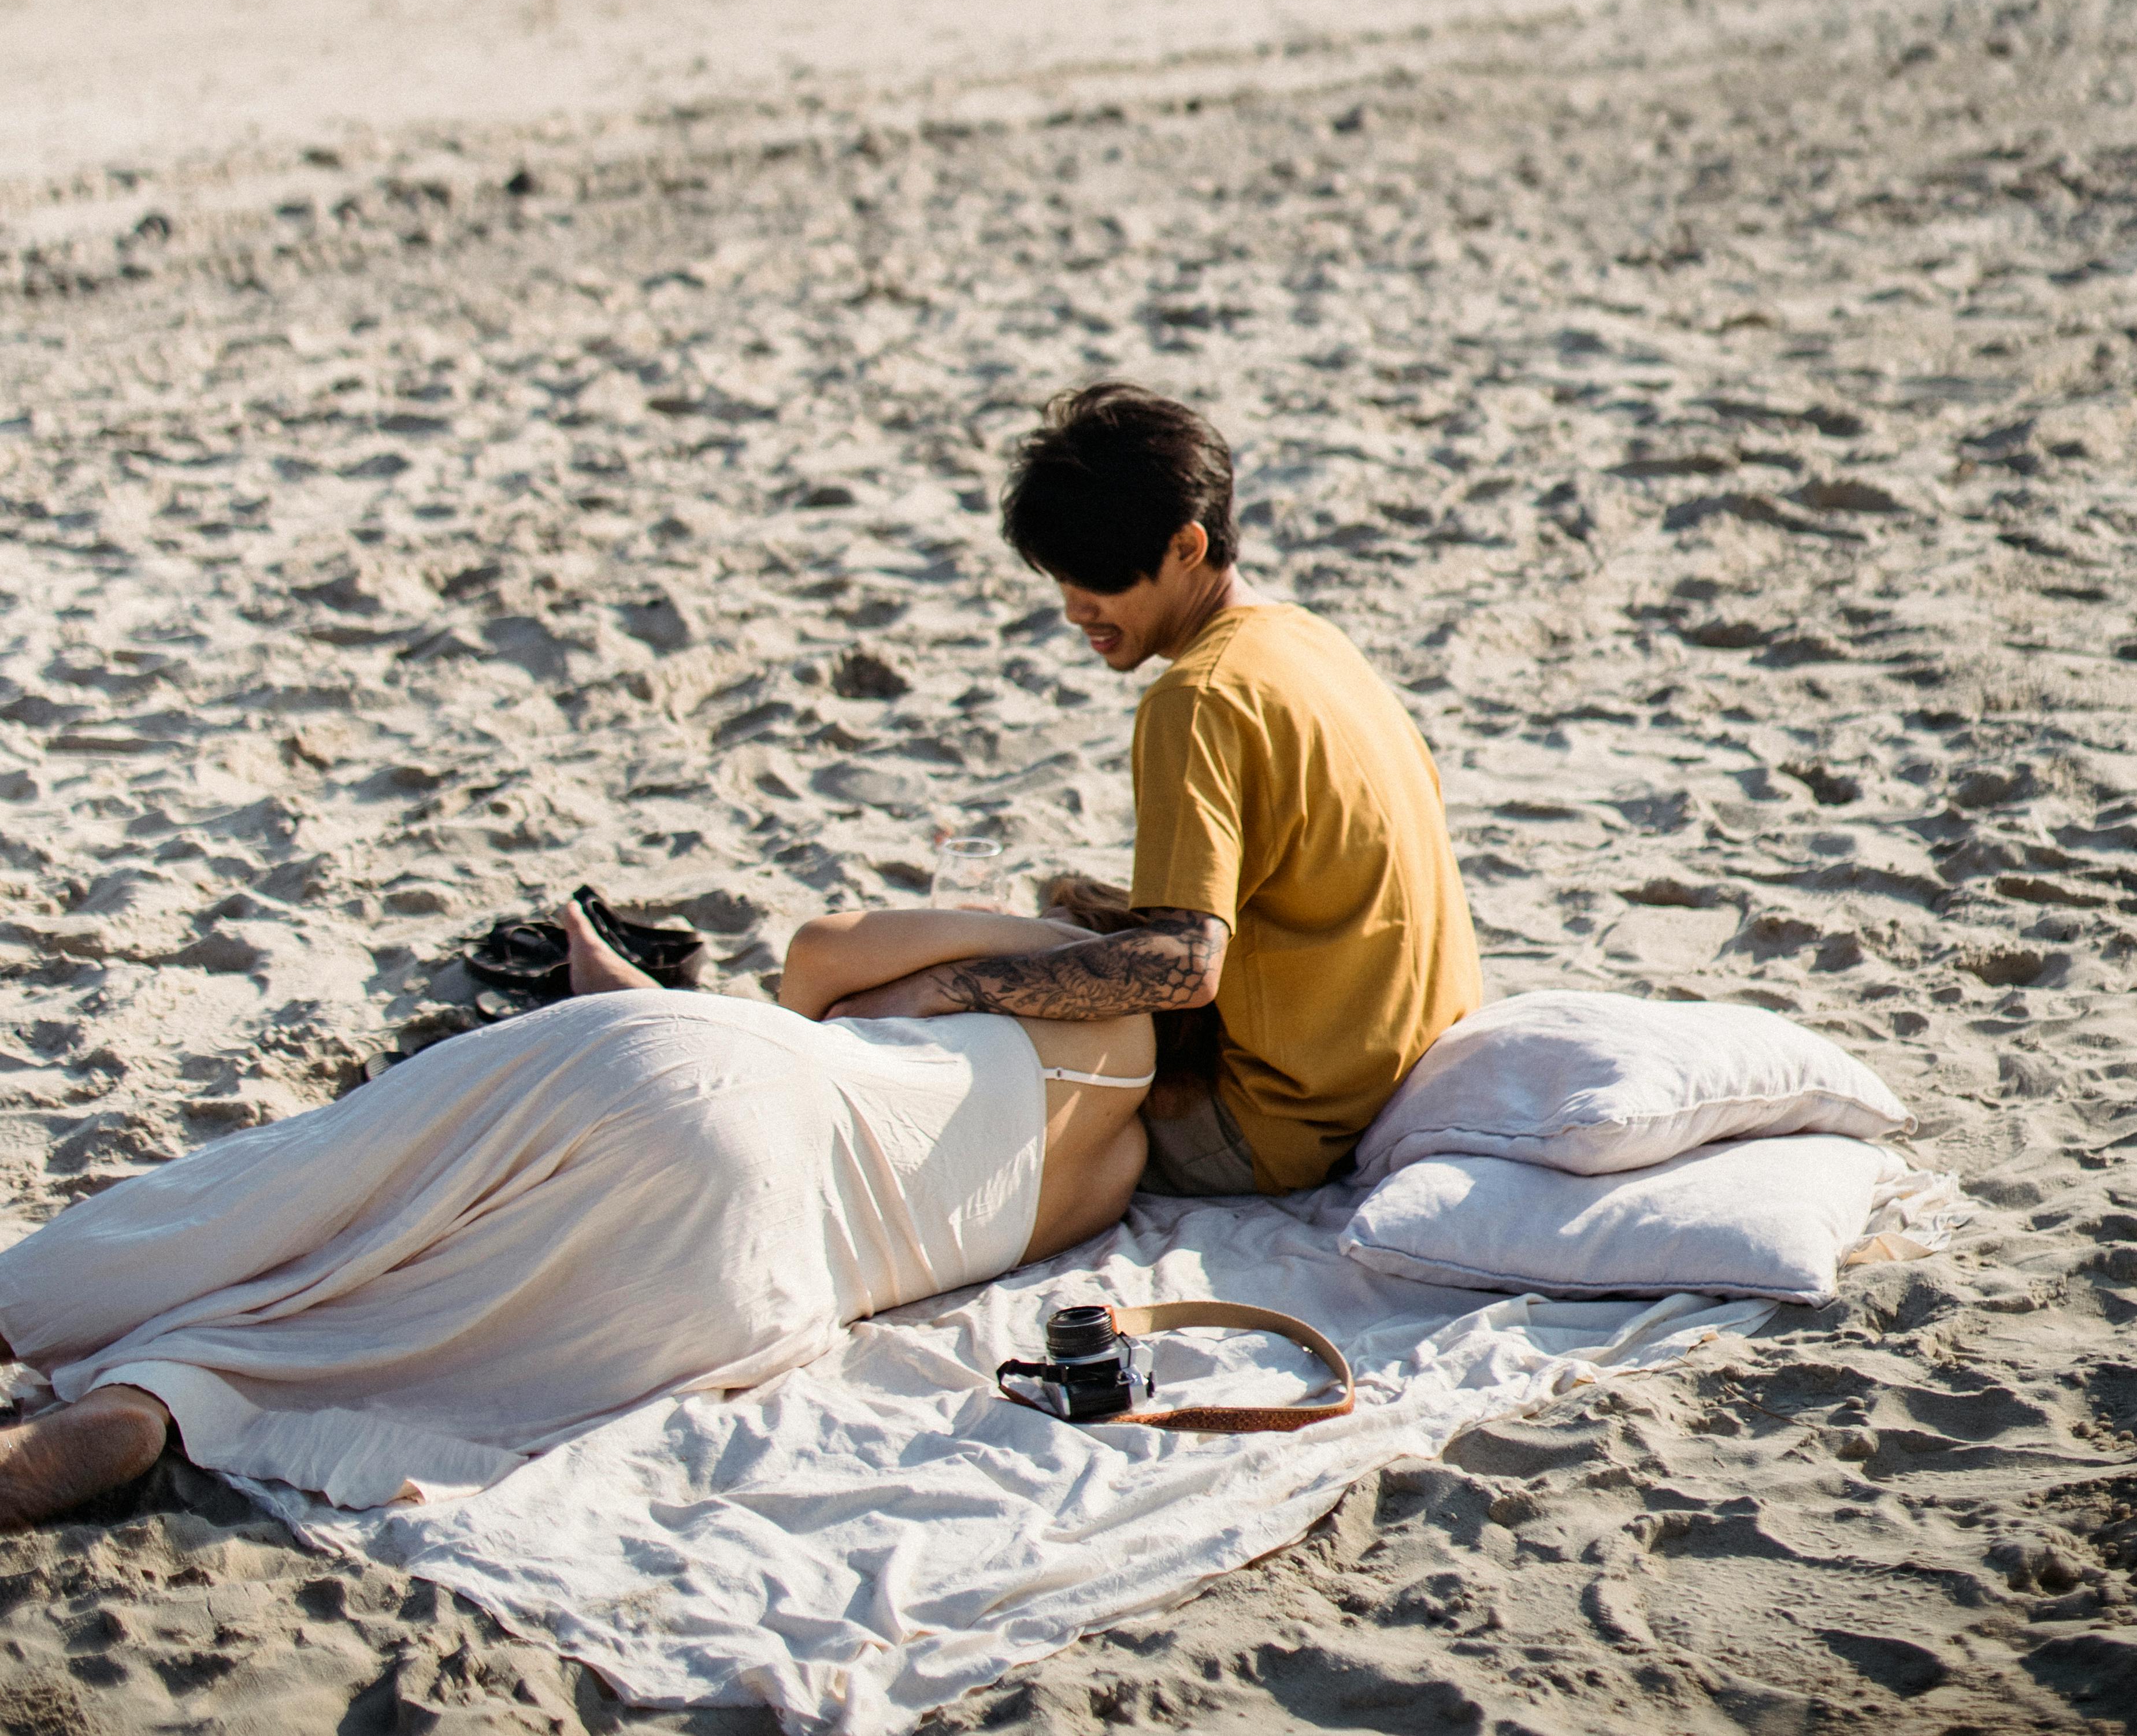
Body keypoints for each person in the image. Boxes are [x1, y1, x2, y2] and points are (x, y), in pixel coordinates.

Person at [0, 900, 1150, 1533]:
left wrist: (953, 971)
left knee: (303, 1189)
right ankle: (158, 1399)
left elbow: (818, 963)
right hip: (762, 1283)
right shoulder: (1119, 1173)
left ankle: (30, 1306)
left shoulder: (1100, 975)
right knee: (371, 1340)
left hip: (715, 1069)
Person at [826, 384, 1481, 1199]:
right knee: (1067, 903)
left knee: (872, 979)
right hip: (1390, 1072)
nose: (1075, 609)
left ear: (1186, 546)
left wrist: (942, 989)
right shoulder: (1306, 641)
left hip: (1277, 1131)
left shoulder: (1197, 698)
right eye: (1060, 578)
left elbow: (1182, 965)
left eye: (1097, 577)